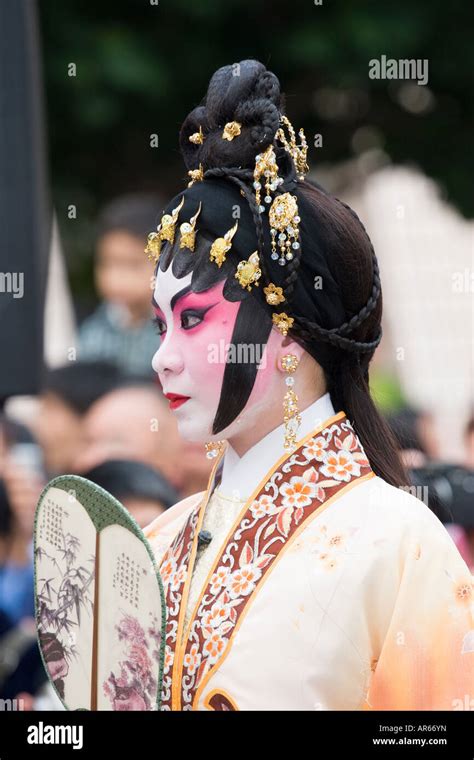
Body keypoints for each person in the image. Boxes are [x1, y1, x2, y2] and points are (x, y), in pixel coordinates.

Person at [140, 60, 473, 711]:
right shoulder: (154, 544)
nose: (162, 360)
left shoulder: (399, 546)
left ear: (289, 334)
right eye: (159, 327)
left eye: (193, 320)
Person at [78, 194, 164, 377]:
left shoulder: (173, 328)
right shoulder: (94, 329)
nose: (117, 278)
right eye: (107, 263)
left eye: (132, 265)